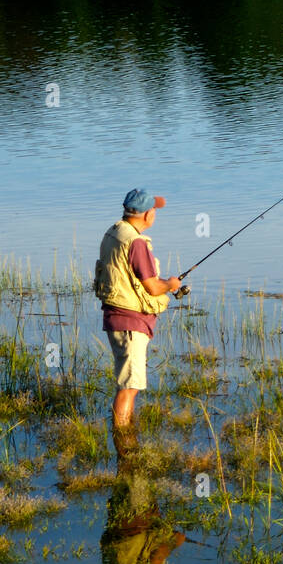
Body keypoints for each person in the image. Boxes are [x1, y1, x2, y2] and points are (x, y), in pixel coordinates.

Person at [94, 188, 184, 458]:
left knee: (128, 383)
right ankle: (124, 448)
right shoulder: (137, 243)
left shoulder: (114, 233)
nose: (155, 213)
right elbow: (153, 287)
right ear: (147, 214)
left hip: (117, 317)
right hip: (130, 323)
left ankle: (125, 439)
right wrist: (171, 284)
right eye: (154, 210)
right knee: (129, 386)